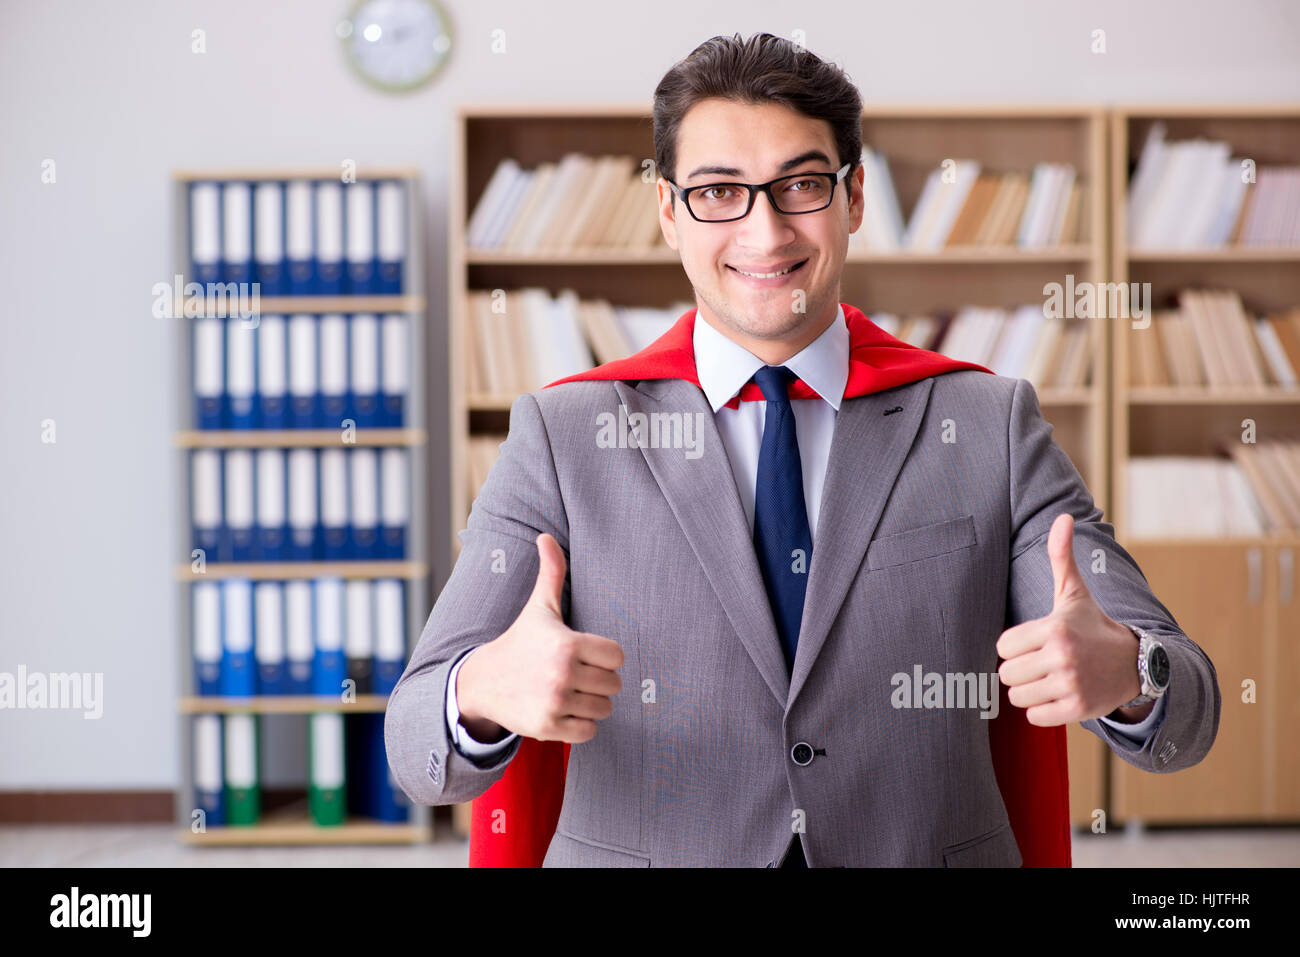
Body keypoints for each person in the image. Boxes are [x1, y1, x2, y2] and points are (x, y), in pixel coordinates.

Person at [384, 32, 1219, 867]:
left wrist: (1131, 671)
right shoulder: (562, 437)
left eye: (802, 185)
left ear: (854, 199)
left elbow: (1190, 711)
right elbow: (413, 742)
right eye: (718, 191)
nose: (766, 227)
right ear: (670, 212)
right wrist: (484, 691)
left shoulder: (989, 422)